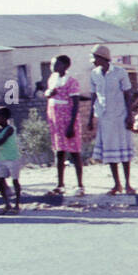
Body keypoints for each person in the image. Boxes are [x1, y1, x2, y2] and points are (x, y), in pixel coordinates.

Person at [87, 44, 135, 194]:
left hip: (120, 116)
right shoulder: (94, 74)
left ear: (102, 58)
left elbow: (128, 94)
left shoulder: (120, 72)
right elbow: (94, 96)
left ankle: (128, 184)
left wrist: (130, 115)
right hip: (105, 117)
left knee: (123, 151)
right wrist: (90, 118)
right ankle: (117, 184)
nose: (93, 61)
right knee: (110, 152)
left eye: (95, 58)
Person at [43, 54, 85, 195]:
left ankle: (80, 185)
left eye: (56, 64)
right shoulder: (52, 79)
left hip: (67, 119)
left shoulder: (72, 81)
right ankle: (60, 184)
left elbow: (75, 104)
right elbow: (49, 94)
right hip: (55, 120)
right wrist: (48, 93)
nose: (53, 67)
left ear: (66, 66)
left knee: (74, 152)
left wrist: (71, 125)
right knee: (59, 152)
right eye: (52, 64)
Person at [0, 107, 22, 212]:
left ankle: (17, 205)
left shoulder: (10, 129)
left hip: (12, 158)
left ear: (4, 117)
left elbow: (0, 142)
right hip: (2, 159)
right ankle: (7, 203)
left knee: (15, 181)